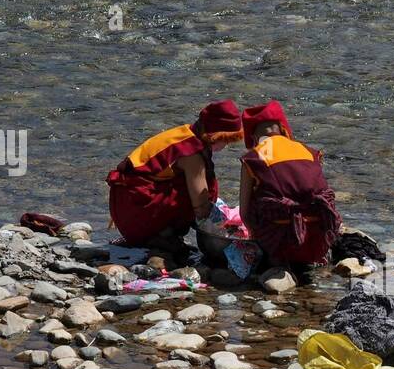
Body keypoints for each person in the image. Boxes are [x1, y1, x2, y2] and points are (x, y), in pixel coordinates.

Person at [106, 100, 244, 247]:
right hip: (135, 213)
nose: (226, 145)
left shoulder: (186, 133)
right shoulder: (192, 154)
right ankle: (160, 235)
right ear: (213, 135)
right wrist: (222, 227)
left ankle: (163, 232)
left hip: (124, 204)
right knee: (193, 193)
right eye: (225, 140)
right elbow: (201, 204)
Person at [238, 100, 341, 269]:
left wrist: (253, 236)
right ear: (283, 129)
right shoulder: (310, 152)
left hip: (281, 246)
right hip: (318, 243)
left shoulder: (252, 158)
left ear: (253, 137)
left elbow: (244, 213)